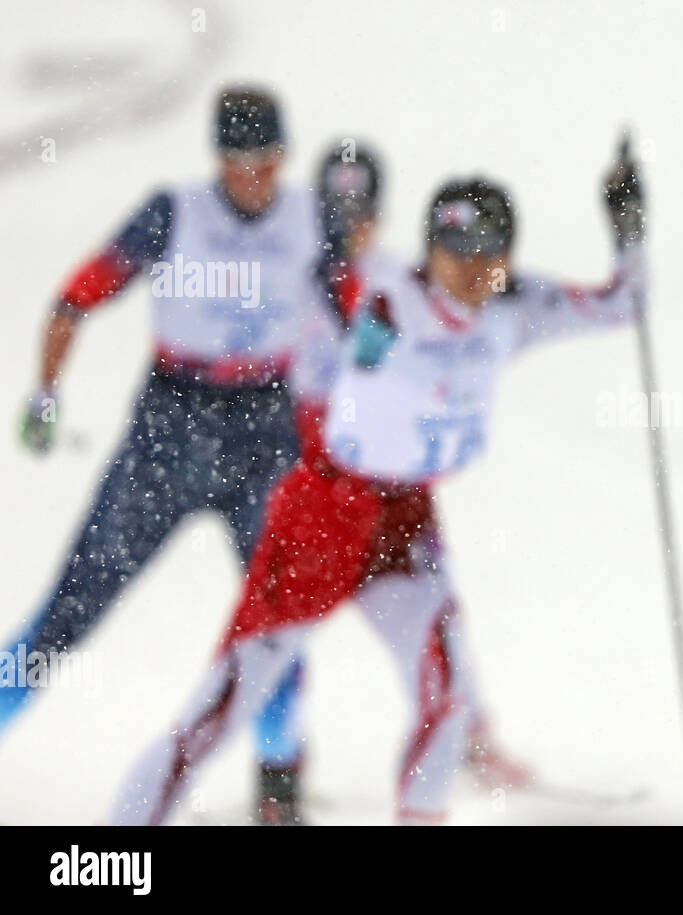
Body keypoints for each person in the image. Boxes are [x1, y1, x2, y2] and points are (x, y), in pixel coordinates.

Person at [108, 146, 647, 825]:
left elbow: (624, 304)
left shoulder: (513, 308)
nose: (471, 268)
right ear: (428, 247)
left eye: (487, 251)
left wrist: (628, 230)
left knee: (446, 687)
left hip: (404, 514)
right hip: (325, 514)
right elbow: (359, 295)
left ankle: (441, 789)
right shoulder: (391, 299)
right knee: (223, 706)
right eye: (454, 249)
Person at [3, 86, 319, 823]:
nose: (253, 176)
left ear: (283, 157)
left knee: (277, 617)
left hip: (265, 429)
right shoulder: (174, 213)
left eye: (266, 159)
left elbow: (360, 303)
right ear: (218, 160)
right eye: (238, 160)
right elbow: (76, 297)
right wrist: (45, 394)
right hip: (172, 428)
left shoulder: (310, 218)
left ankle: (280, 789)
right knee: (69, 613)